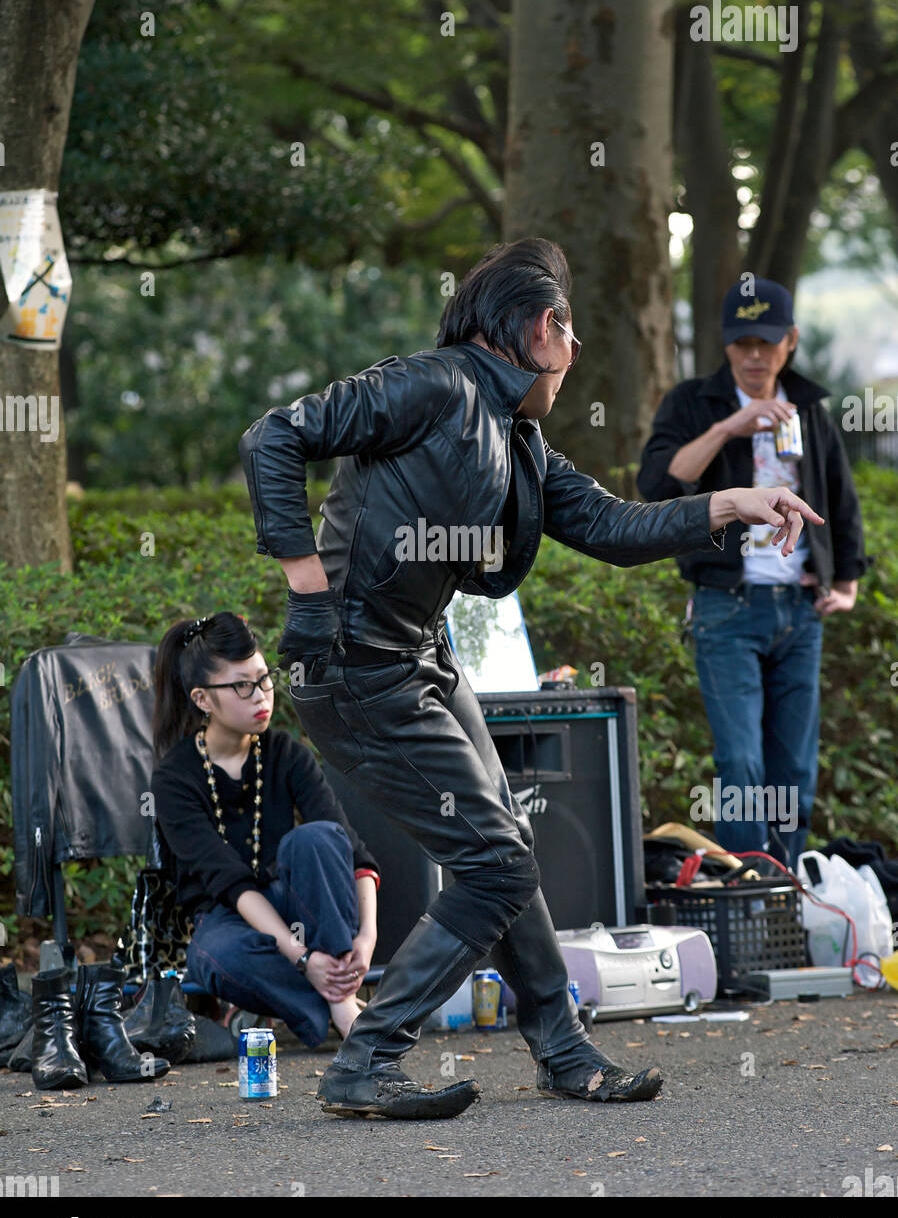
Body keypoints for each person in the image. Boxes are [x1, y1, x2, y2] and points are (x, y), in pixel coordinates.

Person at [238, 238, 822, 1120]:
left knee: (505, 846)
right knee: (497, 862)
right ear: (543, 328)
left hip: (418, 655)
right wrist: (308, 592)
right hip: (356, 666)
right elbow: (273, 437)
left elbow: (615, 527)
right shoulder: (432, 384)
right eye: (572, 330)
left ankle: (565, 1051)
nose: (578, 350)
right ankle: (368, 1059)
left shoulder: (520, 437)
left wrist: (729, 504)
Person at [638, 277, 869, 869]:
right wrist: (727, 430)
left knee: (793, 766)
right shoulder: (693, 403)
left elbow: (839, 498)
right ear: (726, 345)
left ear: (789, 341)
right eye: (742, 344)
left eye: (767, 343)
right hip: (725, 605)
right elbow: (658, 485)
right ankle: (744, 893)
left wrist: (847, 580)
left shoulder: (809, 410)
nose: (755, 357)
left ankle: (785, 889)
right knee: (741, 763)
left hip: (800, 609)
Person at [150, 610, 381, 1046]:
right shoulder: (174, 778)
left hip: (294, 907)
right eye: (241, 685)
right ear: (202, 699)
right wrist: (302, 958)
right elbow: (230, 882)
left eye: (264, 678)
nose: (261, 696)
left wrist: (367, 938)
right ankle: (337, 1002)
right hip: (227, 919)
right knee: (219, 956)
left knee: (315, 838)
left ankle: (326, 1000)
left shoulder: (286, 754)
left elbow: (348, 848)